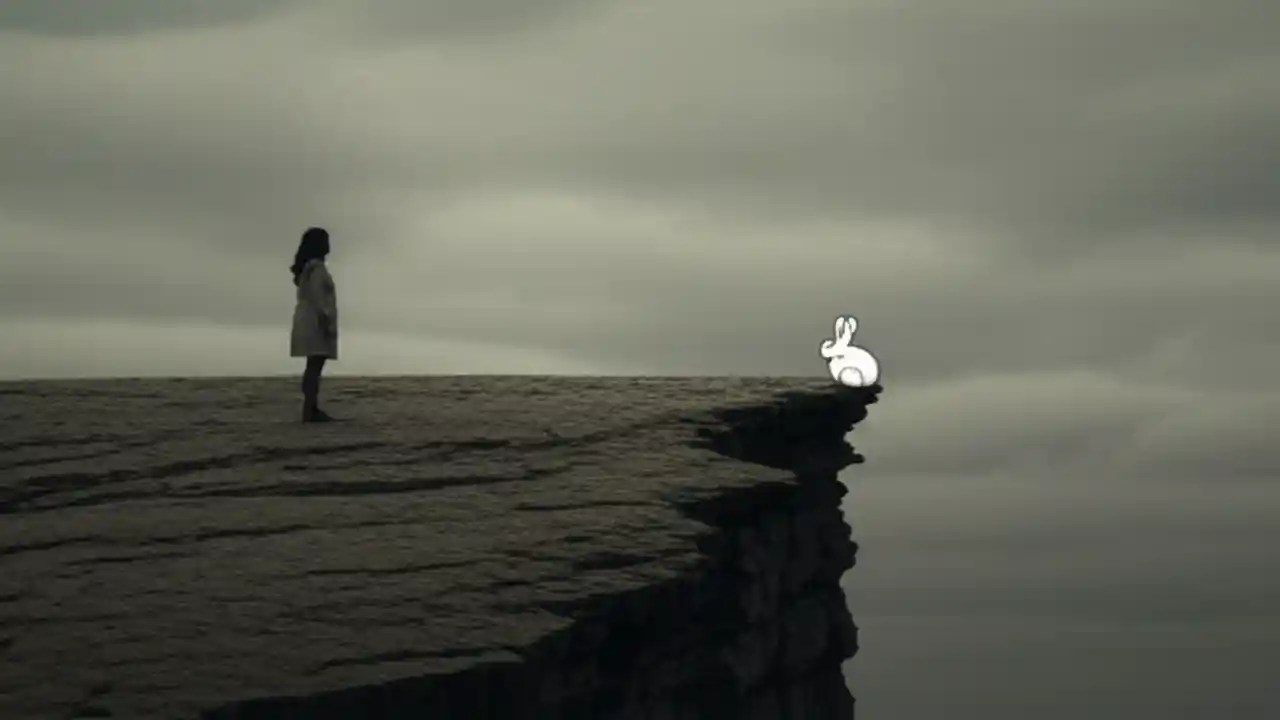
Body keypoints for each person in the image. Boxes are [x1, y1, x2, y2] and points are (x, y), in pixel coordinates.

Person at [289, 227, 338, 422]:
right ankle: (310, 408)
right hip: (316, 322)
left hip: (308, 320)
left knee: (313, 365)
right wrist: (327, 321)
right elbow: (319, 299)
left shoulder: (308, 270)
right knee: (315, 366)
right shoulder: (317, 270)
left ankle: (310, 407)